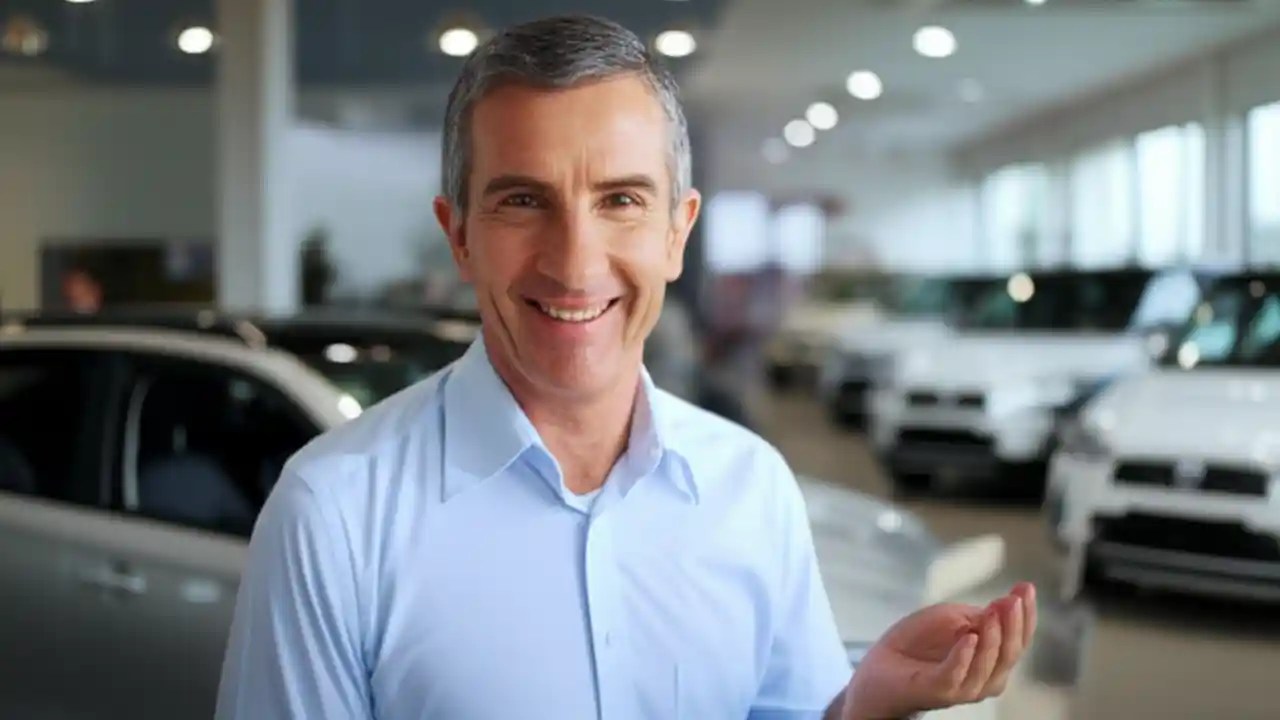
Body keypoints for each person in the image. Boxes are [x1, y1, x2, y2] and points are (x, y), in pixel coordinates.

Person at [215, 15, 1036, 720]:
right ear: (458, 233)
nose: (575, 265)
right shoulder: (334, 514)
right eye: (524, 201)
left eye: (620, 201)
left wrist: (861, 706)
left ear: (678, 233)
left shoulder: (750, 486)